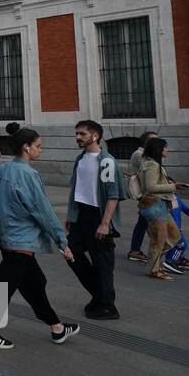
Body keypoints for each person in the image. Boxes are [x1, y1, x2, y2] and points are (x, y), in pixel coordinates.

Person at [0, 128, 80, 349]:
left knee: (35, 283)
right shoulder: (29, 175)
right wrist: (62, 241)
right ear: (26, 147)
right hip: (21, 241)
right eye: (38, 146)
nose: (40, 150)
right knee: (5, 287)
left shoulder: (1, 170)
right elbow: (42, 211)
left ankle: (57, 327)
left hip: (6, 239)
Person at [64, 120, 125, 320]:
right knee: (71, 253)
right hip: (80, 216)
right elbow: (76, 190)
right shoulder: (80, 159)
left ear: (95, 136)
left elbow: (113, 194)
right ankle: (99, 295)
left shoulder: (106, 161)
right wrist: (71, 217)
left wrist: (105, 223)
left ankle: (108, 306)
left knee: (102, 263)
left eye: (81, 134)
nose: (78, 137)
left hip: (98, 216)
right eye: (77, 134)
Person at [139, 137, 181, 281]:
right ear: (159, 149)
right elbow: (150, 187)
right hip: (155, 206)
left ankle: (154, 264)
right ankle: (154, 269)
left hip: (159, 206)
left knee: (173, 235)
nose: (167, 150)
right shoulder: (152, 165)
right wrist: (173, 186)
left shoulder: (152, 163)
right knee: (159, 239)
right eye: (165, 147)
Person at [124, 130, 158, 263]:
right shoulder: (139, 155)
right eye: (154, 140)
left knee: (143, 223)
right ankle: (136, 251)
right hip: (146, 194)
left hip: (150, 194)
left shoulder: (147, 154)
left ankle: (136, 250)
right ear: (147, 142)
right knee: (146, 223)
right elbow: (149, 174)